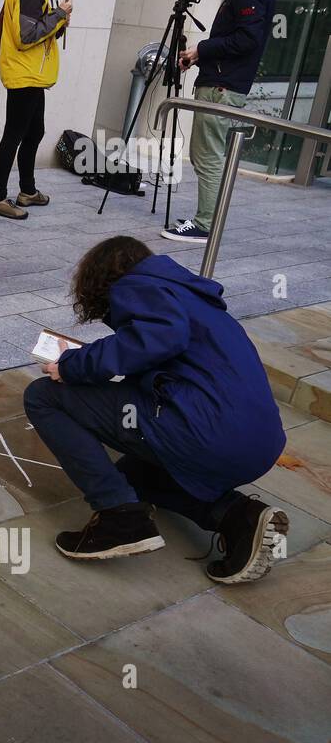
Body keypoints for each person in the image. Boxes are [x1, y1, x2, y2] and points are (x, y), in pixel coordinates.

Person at [24, 236, 288, 582]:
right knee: (132, 476)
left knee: (42, 396)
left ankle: (119, 518)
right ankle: (238, 516)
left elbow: (161, 337)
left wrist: (72, 366)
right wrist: (95, 362)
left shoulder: (138, 285)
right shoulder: (189, 298)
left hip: (209, 435)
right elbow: (158, 355)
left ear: (104, 277)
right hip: (258, 444)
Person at [163, 0, 275, 244]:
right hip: (222, 79)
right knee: (207, 153)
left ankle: (205, 225)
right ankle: (206, 218)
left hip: (222, 86)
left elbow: (247, 40)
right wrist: (201, 56)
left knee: (207, 154)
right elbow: (240, 39)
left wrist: (202, 48)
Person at [0, 0, 71, 220]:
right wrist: (59, 15)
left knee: (34, 132)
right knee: (14, 134)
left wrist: (58, 21)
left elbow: (39, 31)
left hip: (33, 74)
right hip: (24, 74)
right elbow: (26, 35)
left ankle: (27, 190)